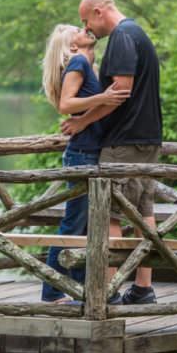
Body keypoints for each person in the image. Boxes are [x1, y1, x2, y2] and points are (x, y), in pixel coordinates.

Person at [61, 0, 163, 305]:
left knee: (109, 215)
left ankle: (108, 291)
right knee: (143, 213)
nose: (86, 28)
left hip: (124, 139)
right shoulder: (137, 33)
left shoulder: (121, 37)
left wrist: (83, 122)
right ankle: (143, 289)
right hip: (149, 137)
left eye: (85, 20)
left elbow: (119, 93)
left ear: (98, 11)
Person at [40, 23, 130, 304]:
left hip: (88, 152)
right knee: (73, 225)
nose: (84, 28)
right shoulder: (78, 62)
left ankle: (79, 289)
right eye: (77, 29)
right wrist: (103, 97)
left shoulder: (86, 64)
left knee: (85, 226)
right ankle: (52, 293)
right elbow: (65, 105)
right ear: (73, 45)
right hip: (82, 154)